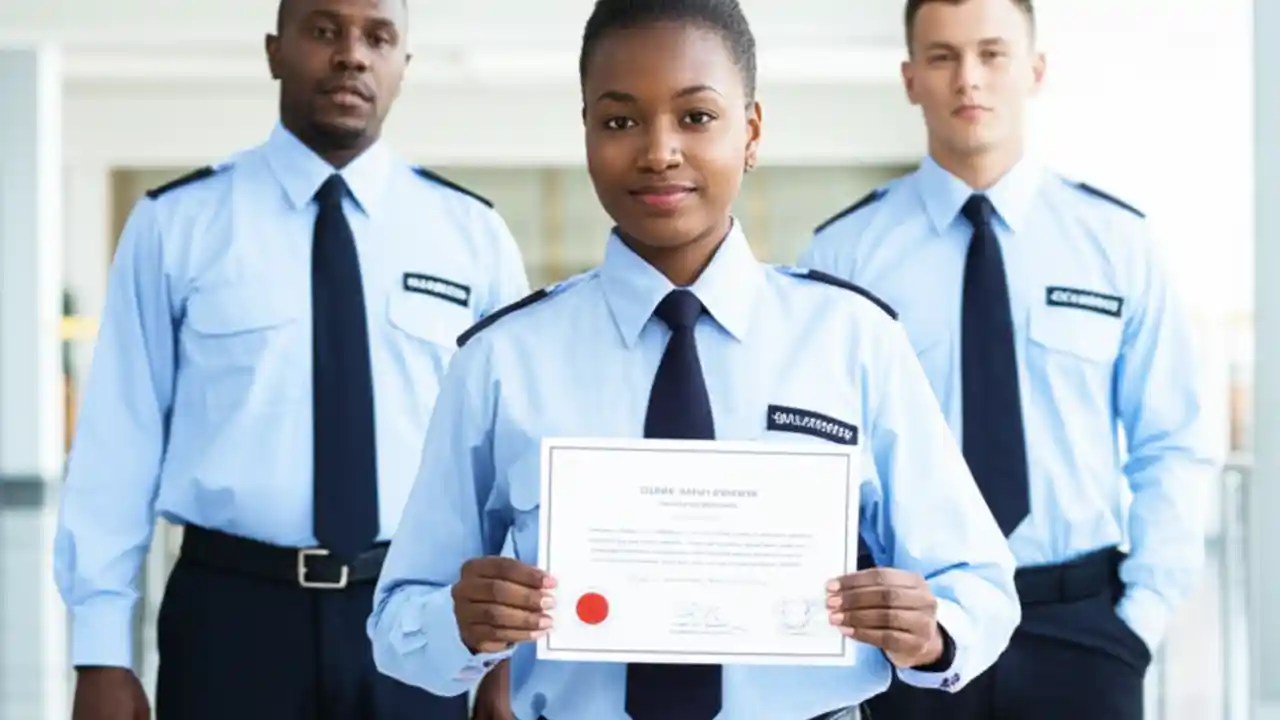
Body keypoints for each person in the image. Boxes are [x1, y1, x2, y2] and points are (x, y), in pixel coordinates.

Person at [368, 1, 1020, 719]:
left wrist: (933, 633)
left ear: (752, 131)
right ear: (585, 132)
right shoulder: (501, 362)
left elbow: (980, 585)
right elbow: (397, 623)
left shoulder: (855, 342)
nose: (658, 151)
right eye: (619, 121)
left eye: (696, 117)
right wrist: (457, 626)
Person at [52, 0, 529, 718]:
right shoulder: (178, 224)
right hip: (231, 615)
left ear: (403, 67)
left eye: (378, 37)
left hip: (415, 613)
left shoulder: (470, 233)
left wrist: (505, 657)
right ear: (275, 51)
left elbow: (504, 460)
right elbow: (117, 449)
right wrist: (100, 656)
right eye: (325, 31)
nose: (352, 55)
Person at [800, 0, 1222, 718]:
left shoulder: (1117, 245)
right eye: (942, 56)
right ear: (910, 78)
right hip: (920, 626)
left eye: (992, 53)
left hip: (1081, 626)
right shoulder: (846, 255)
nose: (969, 78)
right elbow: (816, 454)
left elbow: (1173, 441)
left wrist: (1139, 616)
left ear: (1034, 69)